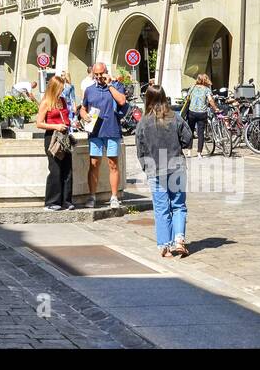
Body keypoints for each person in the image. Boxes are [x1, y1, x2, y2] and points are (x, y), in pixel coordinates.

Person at [135, 83, 193, 258]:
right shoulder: (174, 117)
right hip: (176, 165)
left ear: (148, 100)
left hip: (155, 168)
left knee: (161, 208)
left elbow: (140, 148)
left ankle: (164, 246)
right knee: (178, 205)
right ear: (164, 97)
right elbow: (188, 136)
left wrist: (146, 166)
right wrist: (179, 146)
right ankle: (179, 240)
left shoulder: (143, 122)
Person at [78, 62, 129, 209]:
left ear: (106, 72)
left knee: (113, 164)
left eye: (102, 73)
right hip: (95, 132)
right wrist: (84, 115)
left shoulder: (116, 86)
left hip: (112, 130)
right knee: (94, 164)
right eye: (97, 74)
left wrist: (110, 85)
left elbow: (121, 100)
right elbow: (83, 108)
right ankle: (92, 196)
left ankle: (114, 197)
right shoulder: (89, 90)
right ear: (93, 74)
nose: (100, 77)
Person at [35, 76, 75, 211]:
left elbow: (66, 117)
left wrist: (71, 123)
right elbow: (39, 123)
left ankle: (66, 200)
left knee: (67, 169)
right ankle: (52, 201)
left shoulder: (62, 100)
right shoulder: (46, 102)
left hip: (64, 136)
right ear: (54, 88)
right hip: (52, 137)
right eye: (60, 89)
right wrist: (56, 126)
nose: (62, 91)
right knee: (55, 169)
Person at [182, 73, 219, 157]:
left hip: (192, 112)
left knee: (190, 131)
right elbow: (210, 100)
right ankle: (199, 153)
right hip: (202, 113)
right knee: (200, 133)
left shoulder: (192, 88)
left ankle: (189, 151)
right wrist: (215, 108)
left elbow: (187, 99)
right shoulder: (207, 89)